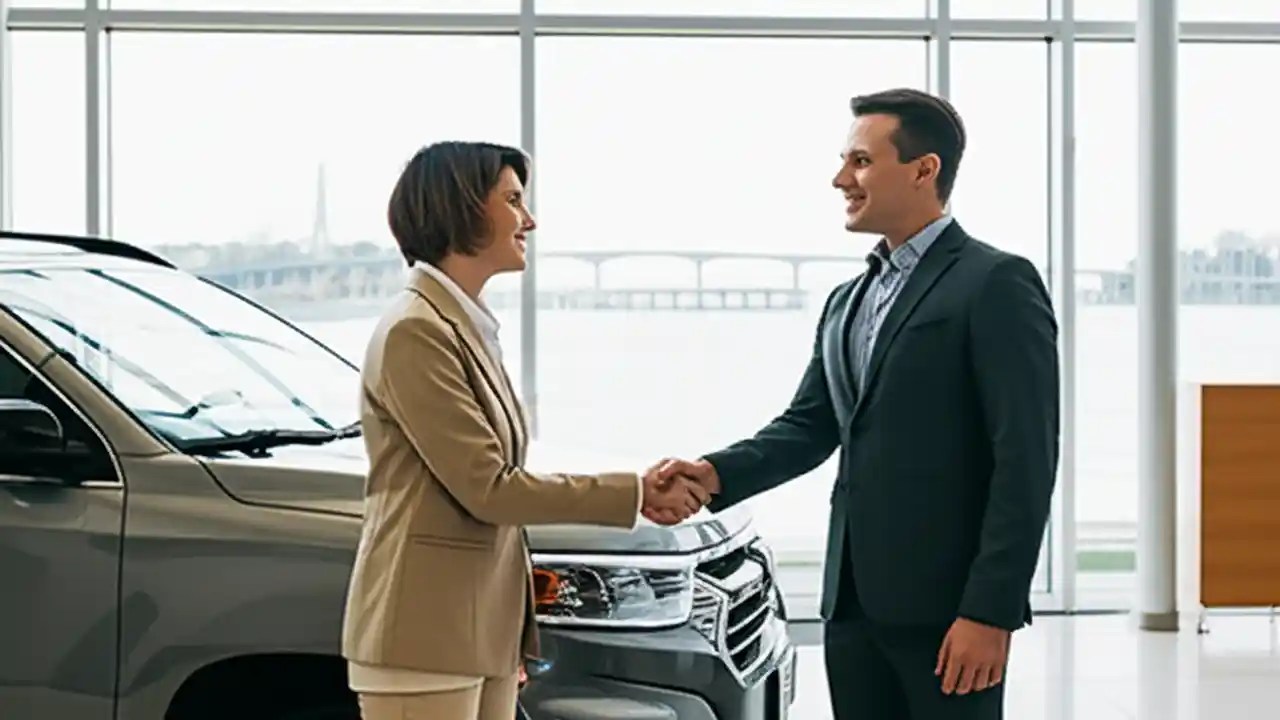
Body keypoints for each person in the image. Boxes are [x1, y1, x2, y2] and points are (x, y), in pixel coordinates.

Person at [648, 88, 1060, 720]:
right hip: (851, 610)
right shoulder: (846, 300)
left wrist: (991, 611)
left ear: (925, 170)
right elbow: (809, 427)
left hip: (950, 614)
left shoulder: (996, 283)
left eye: (861, 162)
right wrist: (714, 474)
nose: (841, 178)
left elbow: (1026, 460)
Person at [342, 141, 708, 720]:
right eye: (513, 200)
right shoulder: (417, 331)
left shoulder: (459, 324)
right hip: (424, 637)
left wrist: (506, 638)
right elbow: (489, 489)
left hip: (470, 634)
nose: (529, 221)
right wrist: (635, 492)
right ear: (462, 209)